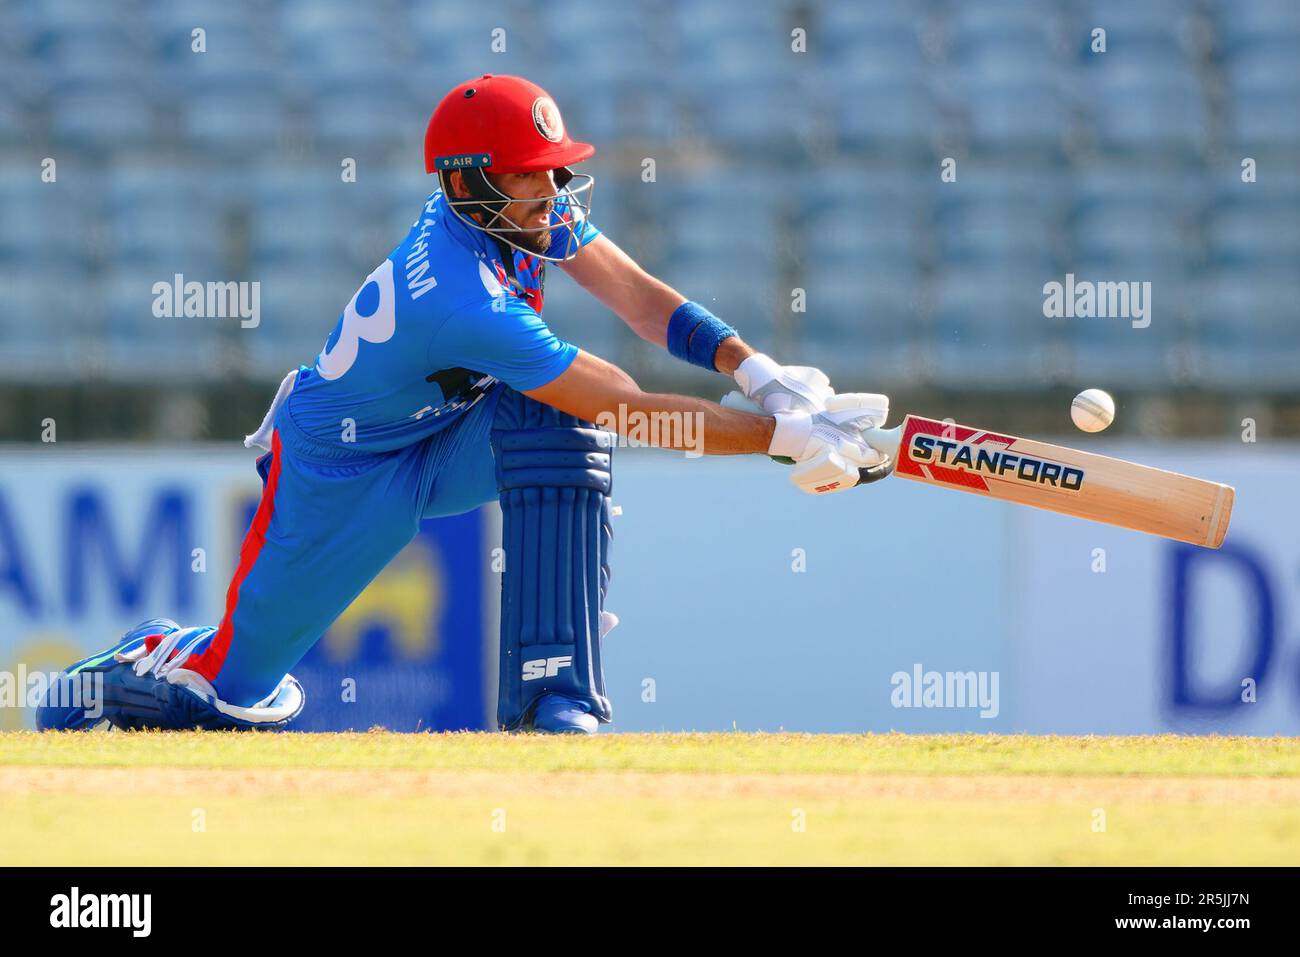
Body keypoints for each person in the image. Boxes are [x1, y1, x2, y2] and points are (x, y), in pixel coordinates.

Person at [37, 74, 891, 735]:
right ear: (469, 183)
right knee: (231, 698)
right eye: (532, 175)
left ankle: (556, 693)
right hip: (342, 465)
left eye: (555, 170)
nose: (553, 190)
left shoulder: (518, 212)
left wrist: (760, 374)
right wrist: (781, 439)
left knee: (561, 413)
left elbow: (639, 298)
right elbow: (630, 408)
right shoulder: (458, 293)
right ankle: (143, 658)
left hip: (443, 431)